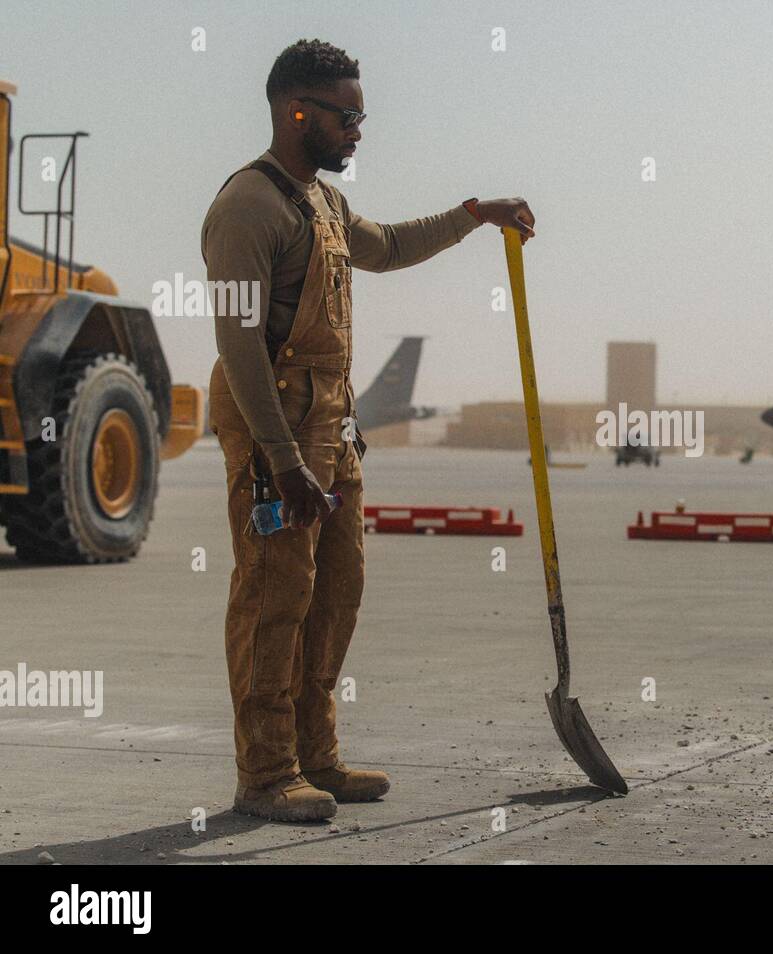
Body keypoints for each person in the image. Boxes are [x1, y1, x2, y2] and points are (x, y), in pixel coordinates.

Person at [203, 38, 535, 821]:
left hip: (332, 431)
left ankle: (316, 755)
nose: (358, 130)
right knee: (273, 598)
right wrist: (281, 461)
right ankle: (265, 773)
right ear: (297, 112)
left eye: (362, 114)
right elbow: (237, 341)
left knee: (335, 594)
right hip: (275, 438)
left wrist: (472, 217)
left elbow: (383, 247)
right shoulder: (248, 207)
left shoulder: (321, 201)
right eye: (346, 115)